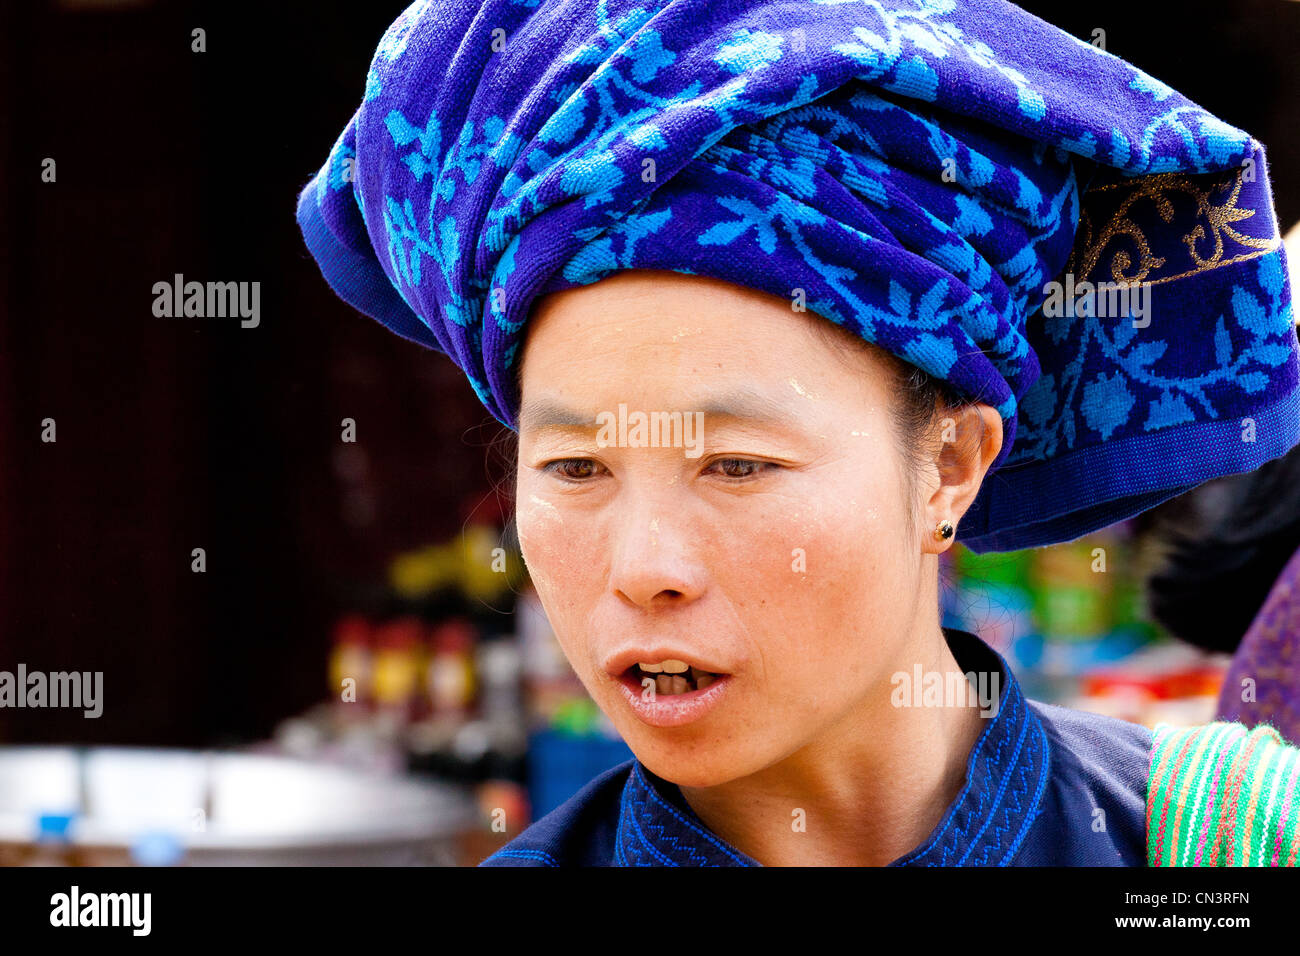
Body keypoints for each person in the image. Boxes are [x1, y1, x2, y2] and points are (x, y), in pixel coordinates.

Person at [296, 0, 1300, 865]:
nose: (645, 568)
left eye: (735, 462)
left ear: (949, 465)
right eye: (576, 465)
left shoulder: (1215, 845)